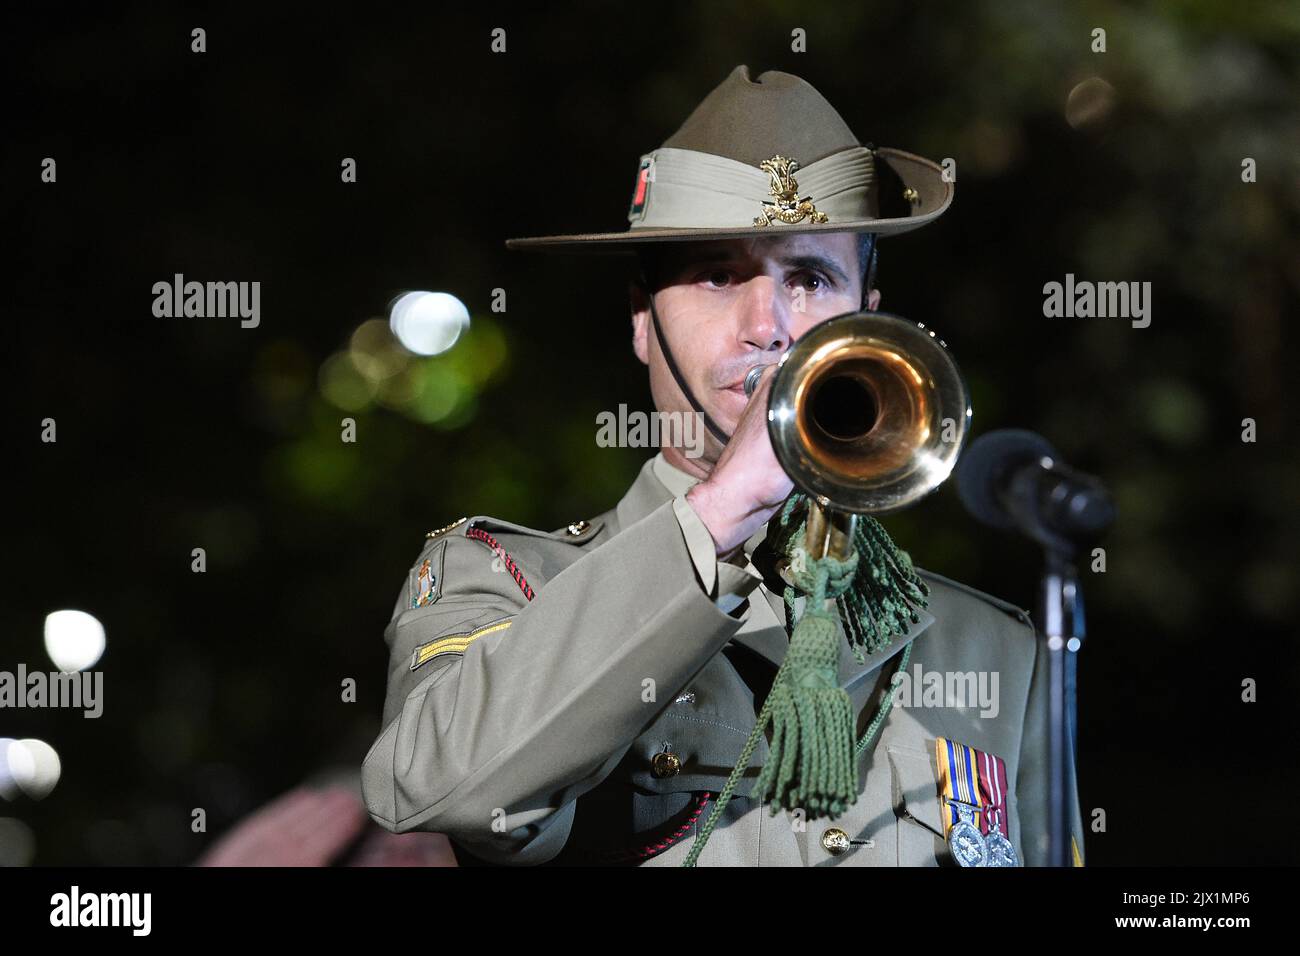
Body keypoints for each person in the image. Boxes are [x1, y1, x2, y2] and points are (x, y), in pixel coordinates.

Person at [361, 65, 1085, 866]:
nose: (768, 326)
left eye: (809, 279)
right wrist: (724, 508)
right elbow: (429, 786)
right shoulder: (502, 579)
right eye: (718, 275)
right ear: (643, 322)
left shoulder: (993, 650)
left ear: (868, 319)